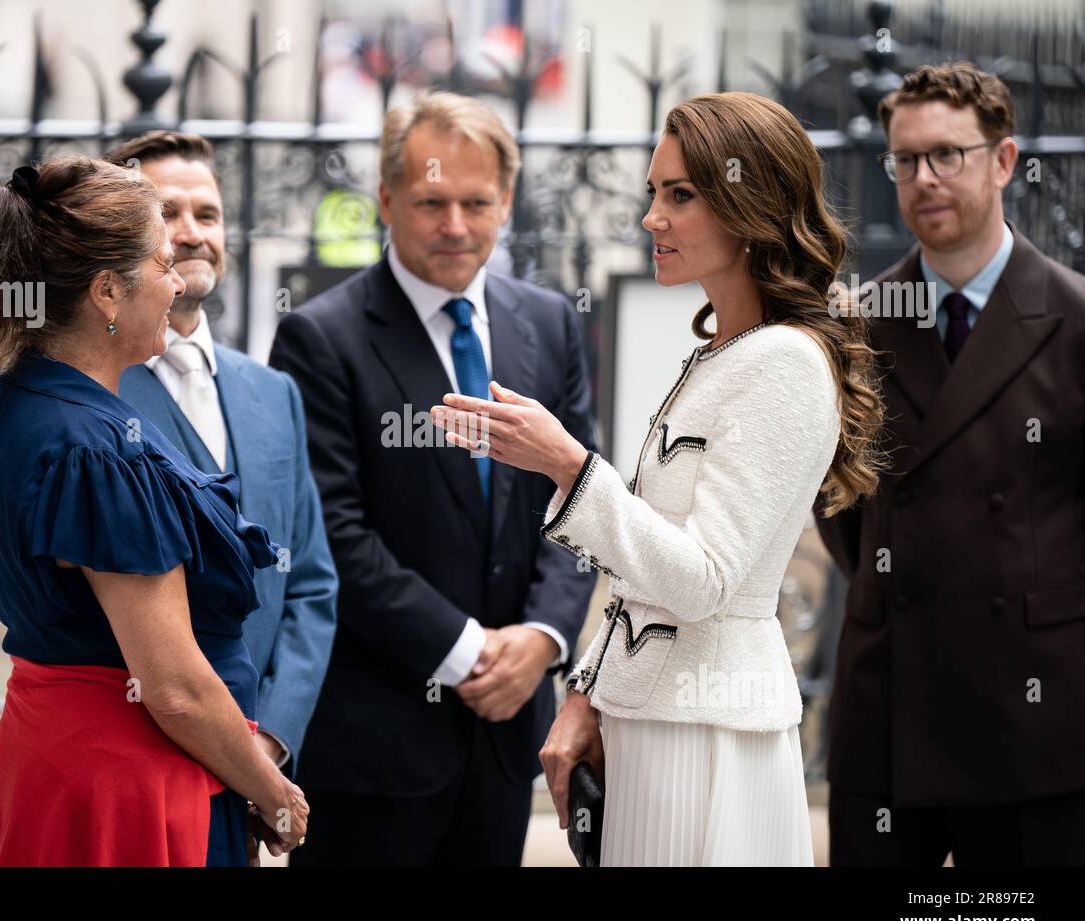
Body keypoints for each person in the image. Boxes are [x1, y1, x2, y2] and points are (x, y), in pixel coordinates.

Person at [437, 91, 886, 865]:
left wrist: (567, 463)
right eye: (654, 192)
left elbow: (703, 579)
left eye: (680, 195)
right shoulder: (723, 353)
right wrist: (585, 692)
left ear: (751, 207)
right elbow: (644, 571)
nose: (653, 217)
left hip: (709, 741)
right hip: (652, 726)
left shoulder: (782, 362)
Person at [0, 156, 308, 866]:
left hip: (52, 761)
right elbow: (173, 687)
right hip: (134, 783)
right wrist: (271, 791)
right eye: (163, 263)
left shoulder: (7, 408)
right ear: (107, 291)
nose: (177, 283)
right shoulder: (98, 452)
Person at [268, 91, 599, 865]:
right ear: (386, 199)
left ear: (507, 201)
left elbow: (581, 498)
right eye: (431, 202)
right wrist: (469, 653)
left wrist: (542, 639)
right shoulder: (321, 338)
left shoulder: (550, 324)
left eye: (477, 202)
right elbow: (332, 535)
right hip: (374, 752)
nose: (455, 225)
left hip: (505, 742)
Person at [815, 61, 1085, 866]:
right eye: (904, 161)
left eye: (946, 155)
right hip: (894, 707)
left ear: (1003, 162)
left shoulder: (1074, 320)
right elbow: (844, 513)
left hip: (1037, 723)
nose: (923, 179)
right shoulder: (857, 329)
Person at [104, 132, 339, 864]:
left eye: (207, 213)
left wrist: (267, 742)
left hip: (254, 772)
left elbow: (310, 585)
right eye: (166, 212)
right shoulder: (93, 392)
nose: (192, 232)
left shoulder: (273, 393)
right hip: (139, 764)